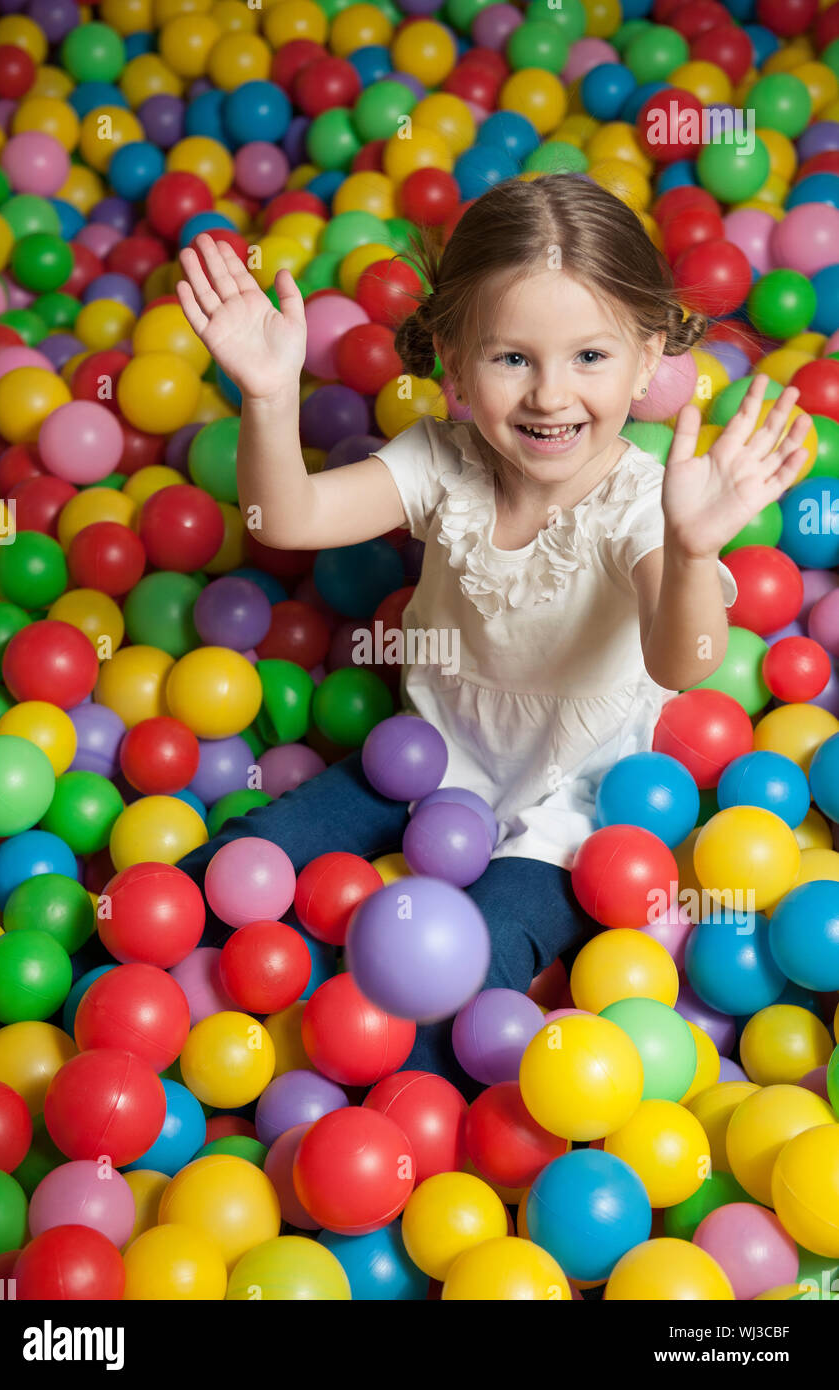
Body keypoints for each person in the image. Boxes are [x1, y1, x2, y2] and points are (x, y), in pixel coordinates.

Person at [173, 172, 812, 1093]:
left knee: (471, 992)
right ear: (452, 359)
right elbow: (287, 518)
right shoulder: (443, 459)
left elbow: (687, 661)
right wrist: (271, 394)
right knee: (232, 871)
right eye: (513, 358)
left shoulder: (642, 503)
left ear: (646, 357)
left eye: (590, 357)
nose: (551, 396)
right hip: (425, 757)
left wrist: (691, 542)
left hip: (566, 806)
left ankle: (406, 1141)